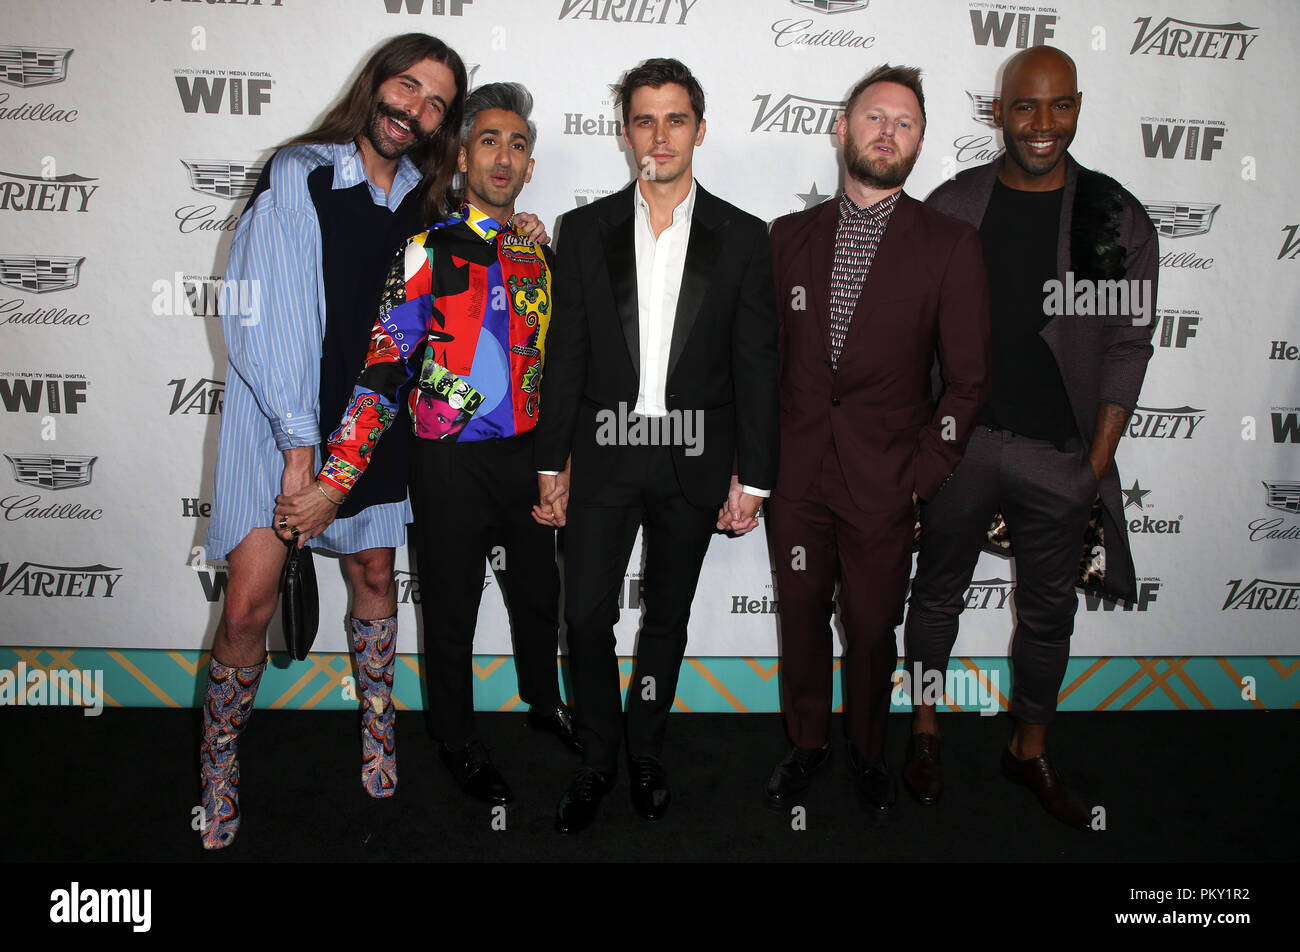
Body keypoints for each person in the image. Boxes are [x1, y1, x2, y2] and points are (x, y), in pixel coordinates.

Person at [277, 82, 578, 807]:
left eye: (517, 144)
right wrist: (332, 481)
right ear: (462, 160)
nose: (504, 156)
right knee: (450, 611)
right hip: (446, 460)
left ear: (530, 166)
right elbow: (381, 375)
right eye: (488, 141)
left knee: (541, 599)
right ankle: (456, 738)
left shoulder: (540, 256)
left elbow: (565, 373)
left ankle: (544, 705)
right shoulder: (424, 253)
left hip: (527, 459)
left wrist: (560, 464)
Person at [903, 45, 1158, 829]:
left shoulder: (1113, 217)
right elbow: (912, 333)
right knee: (935, 596)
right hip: (963, 448)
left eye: (1059, 106)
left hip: (1061, 457)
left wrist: (1093, 467)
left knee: (1050, 617)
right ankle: (924, 729)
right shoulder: (953, 205)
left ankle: (1028, 748)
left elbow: (1126, 345)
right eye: (1024, 106)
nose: (1043, 124)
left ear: (1076, 107)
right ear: (998, 112)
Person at [535, 58, 779, 834]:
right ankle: (599, 756)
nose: (660, 135)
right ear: (625, 131)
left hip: (695, 458)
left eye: (676, 119)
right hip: (605, 452)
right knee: (585, 620)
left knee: (667, 621)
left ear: (699, 130)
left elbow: (756, 366)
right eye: (645, 119)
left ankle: (646, 748)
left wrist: (757, 477)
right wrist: (553, 461)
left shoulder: (743, 237)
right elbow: (564, 356)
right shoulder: (586, 229)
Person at [763, 64, 992, 813]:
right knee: (799, 616)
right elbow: (761, 367)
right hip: (796, 478)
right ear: (843, 129)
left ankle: (867, 748)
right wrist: (754, 469)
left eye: (905, 122)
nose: (888, 131)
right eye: (874, 117)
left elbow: (967, 381)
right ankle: (805, 743)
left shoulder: (949, 244)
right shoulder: (786, 239)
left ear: (921, 141)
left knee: (869, 627)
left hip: (885, 481)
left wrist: (922, 475)